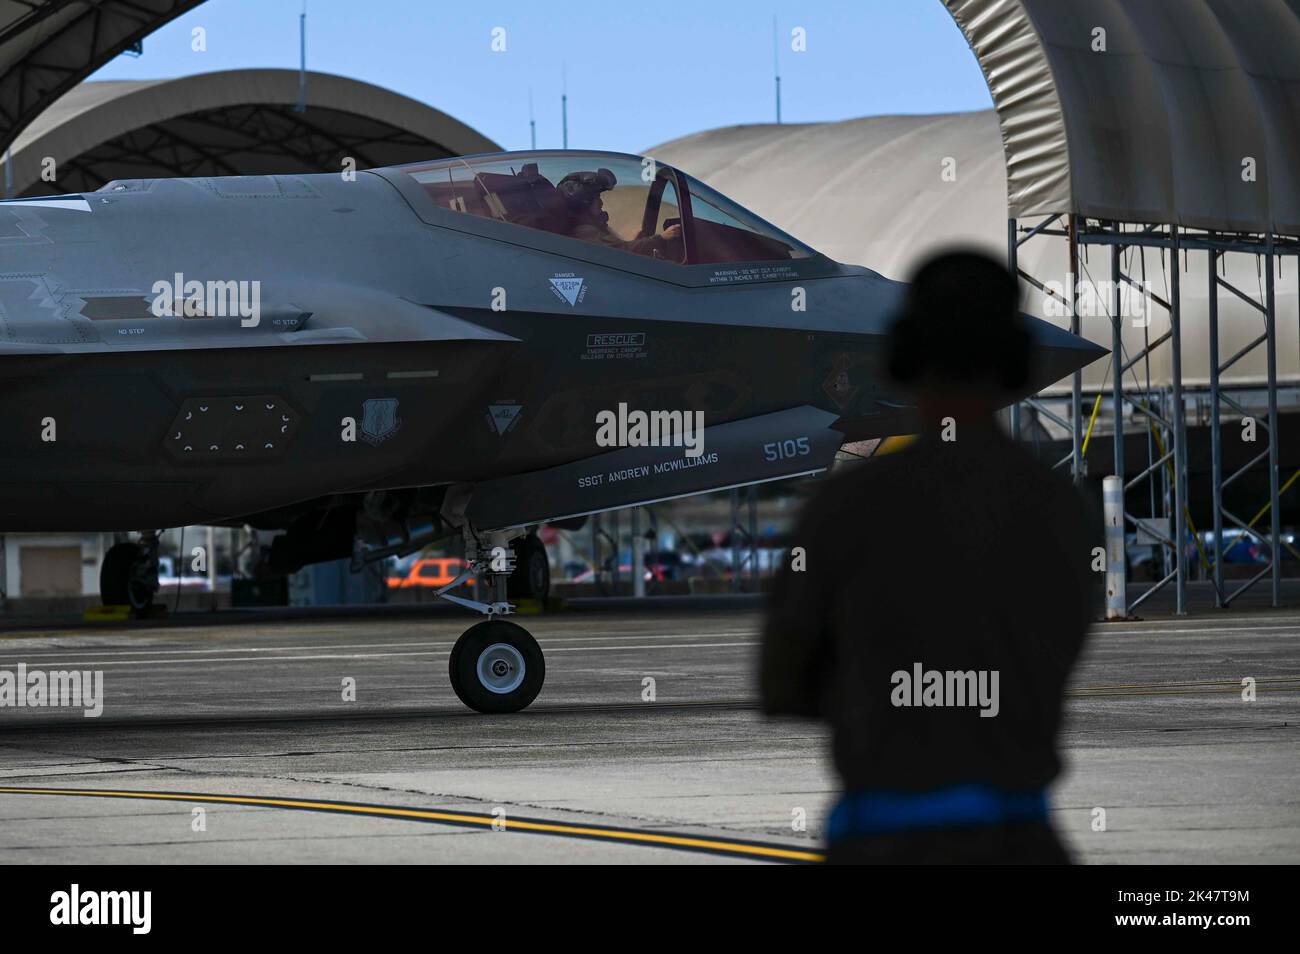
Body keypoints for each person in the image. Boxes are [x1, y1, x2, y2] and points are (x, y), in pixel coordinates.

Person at [760, 249, 1097, 864]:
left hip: (882, 842)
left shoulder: (847, 506)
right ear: (1016, 363)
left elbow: (784, 686)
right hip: (1021, 842)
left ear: (902, 358)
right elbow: (1057, 655)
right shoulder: (1060, 510)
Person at [557, 167, 682, 258]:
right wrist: (661, 238)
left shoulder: (592, 229)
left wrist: (637, 241)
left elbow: (620, 249)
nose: (601, 203)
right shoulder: (585, 232)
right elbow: (622, 254)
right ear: (584, 204)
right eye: (596, 198)